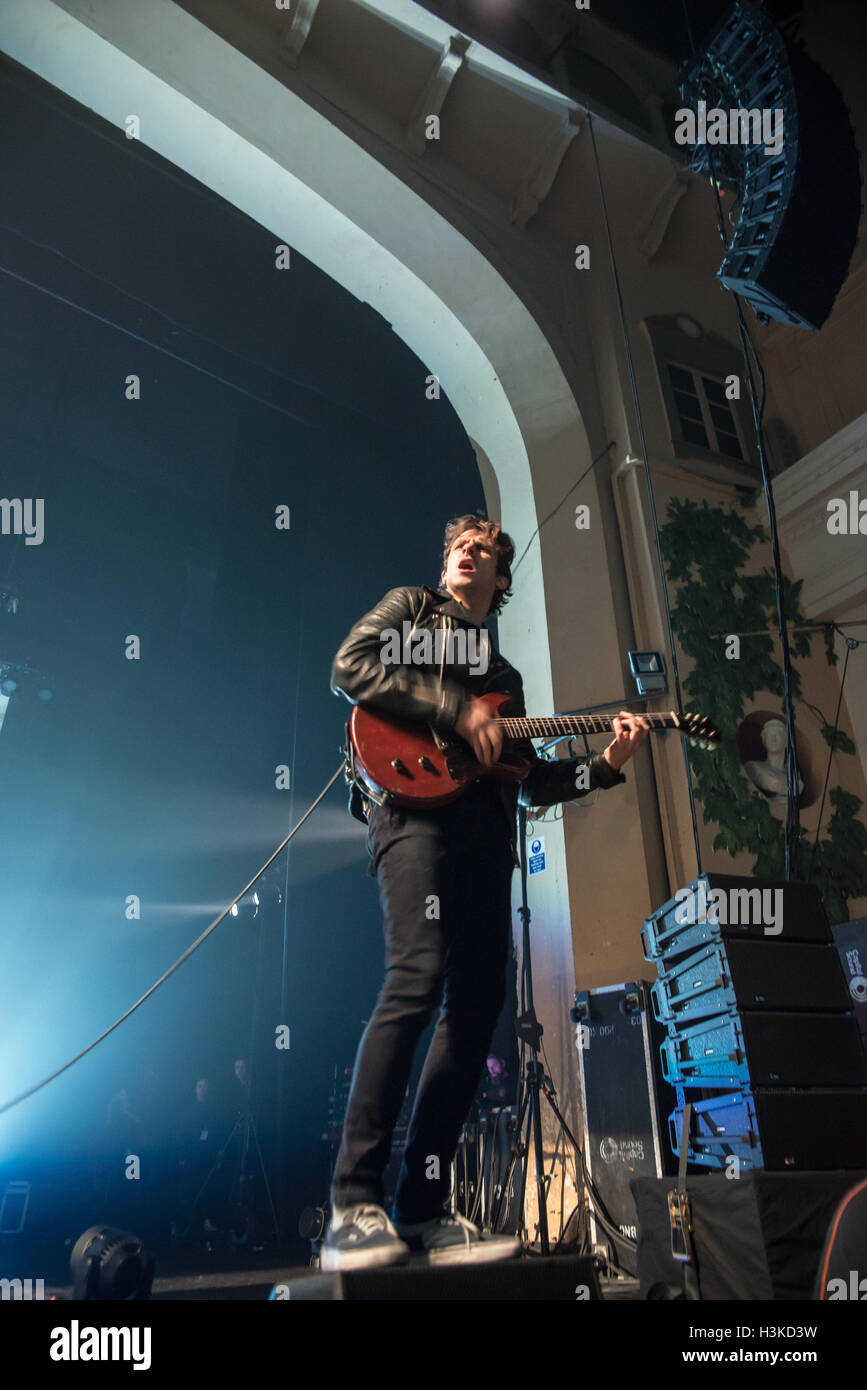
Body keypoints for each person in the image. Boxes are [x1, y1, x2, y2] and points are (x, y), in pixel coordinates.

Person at [323, 515, 649, 1270]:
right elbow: (348, 665)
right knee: (416, 976)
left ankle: (421, 1210)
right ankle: (351, 1205)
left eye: (485, 553)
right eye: (458, 548)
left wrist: (605, 763)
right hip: (409, 813)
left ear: (500, 582)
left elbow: (530, 781)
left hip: (482, 839)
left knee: (474, 1011)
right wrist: (451, 711)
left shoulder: (505, 683)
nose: (468, 554)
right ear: (445, 568)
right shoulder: (410, 610)